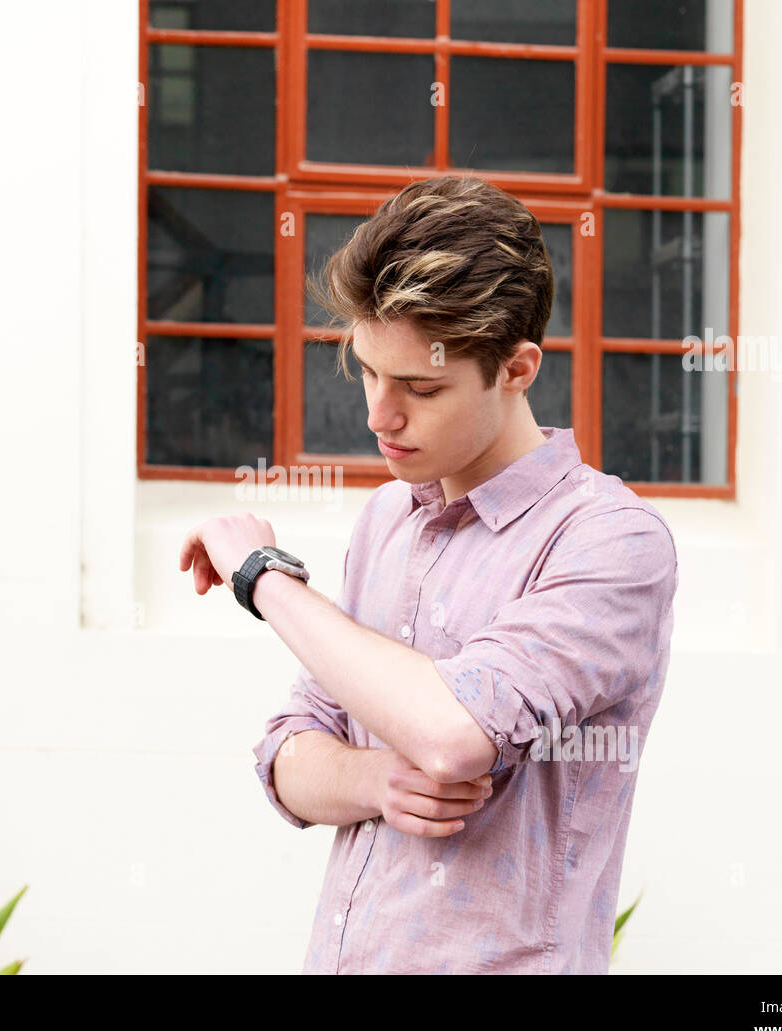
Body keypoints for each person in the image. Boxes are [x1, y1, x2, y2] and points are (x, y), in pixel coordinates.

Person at [179, 175, 678, 974]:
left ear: (517, 368)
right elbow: (286, 756)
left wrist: (265, 579)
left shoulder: (609, 541)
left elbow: (453, 735)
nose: (379, 414)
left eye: (421, 387)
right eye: (369, 371)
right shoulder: (386, 520)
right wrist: (374, 778)